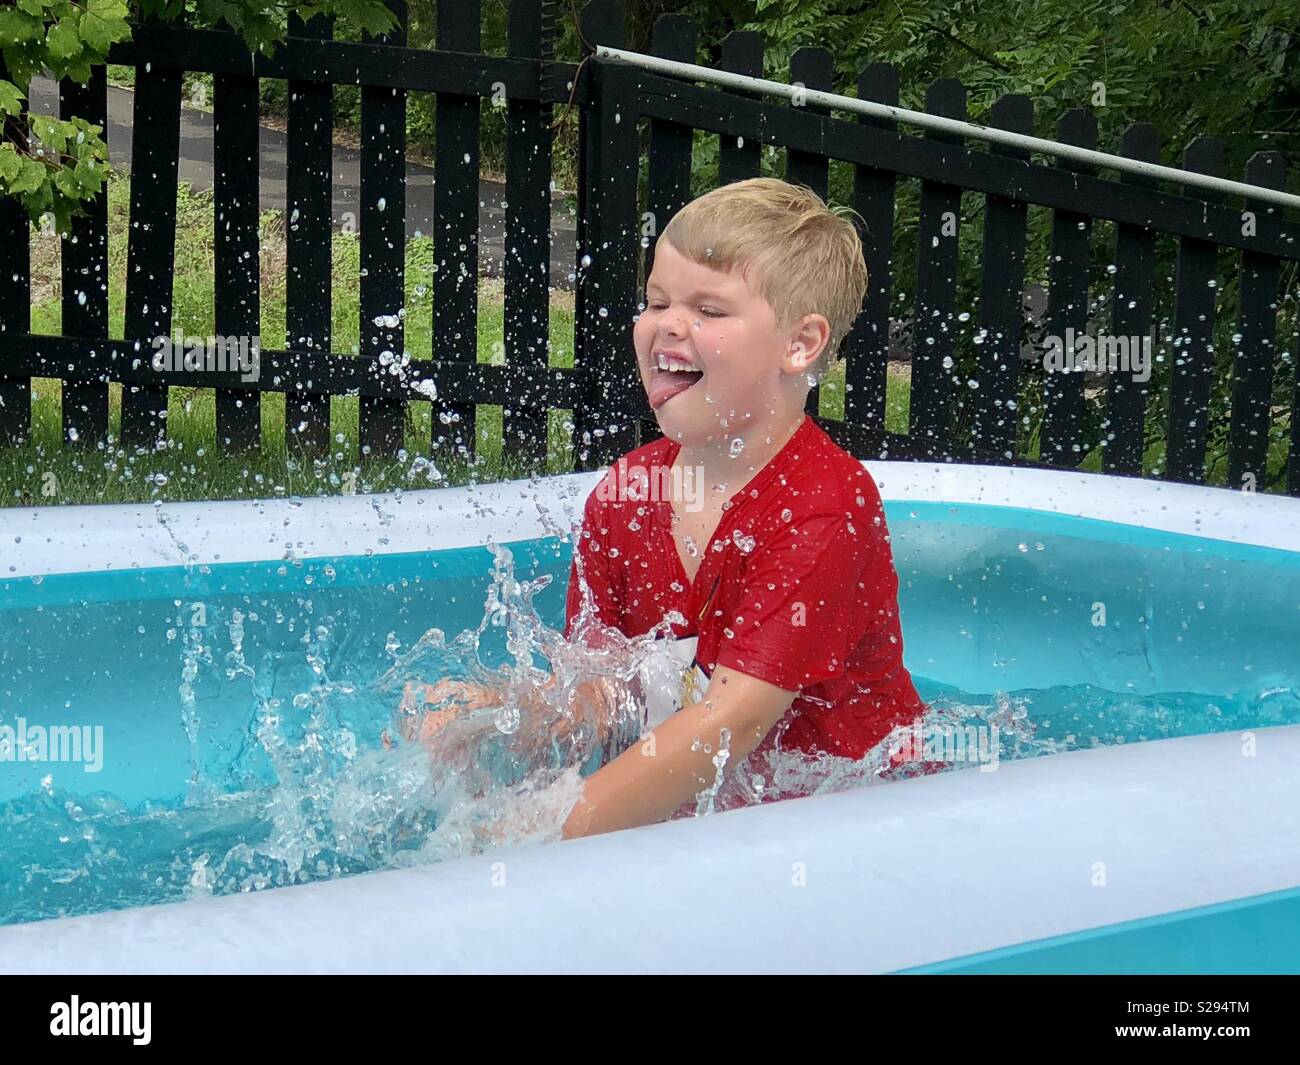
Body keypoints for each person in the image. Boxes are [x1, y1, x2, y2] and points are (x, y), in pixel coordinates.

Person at [407, 177, 927, 839]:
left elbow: (729, 723)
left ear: (800, 344)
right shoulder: (625, 496)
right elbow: (612, 690)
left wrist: (540, 828)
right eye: (656, 301)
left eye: (708, 310)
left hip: (869, 818)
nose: (668, 325)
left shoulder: (822, 511)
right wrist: (509, 713)